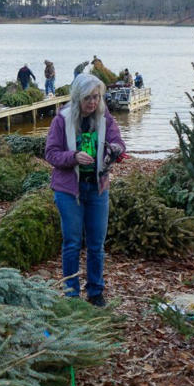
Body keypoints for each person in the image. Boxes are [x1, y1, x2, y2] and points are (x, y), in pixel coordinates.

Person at [45, 73, 126, 307]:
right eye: (88, 98)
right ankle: (71, 294)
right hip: (69, 191)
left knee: (96, 244)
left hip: (97, 189)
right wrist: (73, 157)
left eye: (97, 97)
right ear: (78, 97)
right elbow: (50, 153)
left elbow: (118, 141)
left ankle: (95, 291)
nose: (93, 102)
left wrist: (116, 149)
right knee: (71, 242)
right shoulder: (62, 119)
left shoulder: (105, 117)